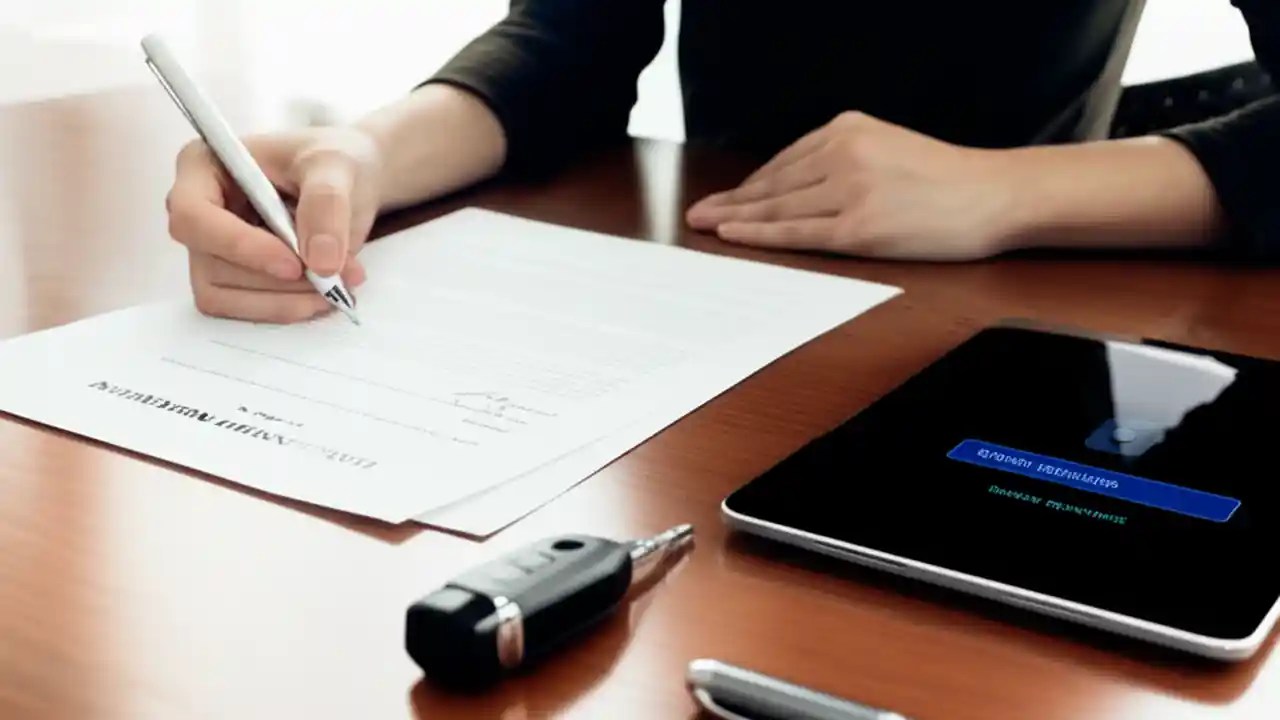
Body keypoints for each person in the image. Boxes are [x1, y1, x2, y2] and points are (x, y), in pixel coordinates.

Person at [163, 1, 1279, 324]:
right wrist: (358, 153)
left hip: (1022, 310)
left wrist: (1001, 194)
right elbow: (571, 40)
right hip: (718, 299)